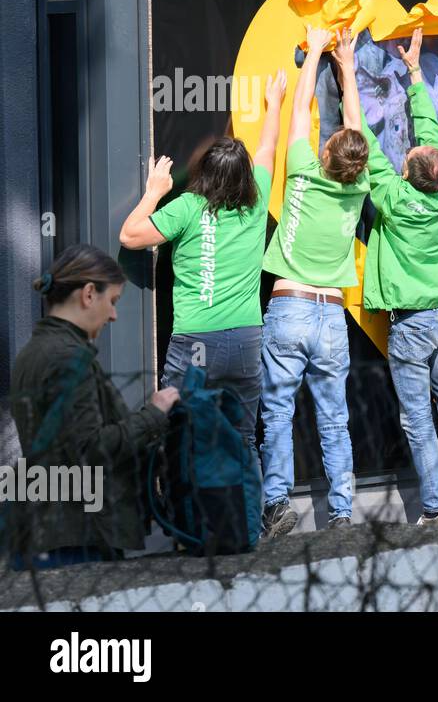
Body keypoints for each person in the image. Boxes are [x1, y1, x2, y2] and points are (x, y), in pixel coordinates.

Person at [344, 28, 438, 527]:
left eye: (406, 158)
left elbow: (361, 139)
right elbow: (430, 133)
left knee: (419, 420)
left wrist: (346, 67)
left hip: (410, 326)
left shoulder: (391, 197)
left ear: (407, 173)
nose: (408, 151)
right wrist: (413, 71)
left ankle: (436, 508)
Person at [119, 70, 287, 475]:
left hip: (196, 341)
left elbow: (129, 236)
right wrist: (275, 100)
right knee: (243, 435)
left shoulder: (187, 208)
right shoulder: (256, 202)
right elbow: (268, 147)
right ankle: (247, 526)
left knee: (180, 431)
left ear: (205, 173)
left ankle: (187, 525)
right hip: (246, 338)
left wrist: (154, 192)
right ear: (245, 178)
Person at [259, 25, 371, 537]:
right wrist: (347, 67)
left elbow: (302, 108)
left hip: (288, 305)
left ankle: (277, 504)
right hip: (330, 312)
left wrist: (315, 49)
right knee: (334, 419)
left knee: (277, 412)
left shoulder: (303, 168)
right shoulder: (359, 185)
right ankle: (342, 513)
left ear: (326, 155)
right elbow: (356, 131)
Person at [5, 245, 181, 569]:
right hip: (75, 538)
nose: (114, 315)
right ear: (88, 294)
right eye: (112, 301)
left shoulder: (34, 351)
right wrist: (154, 414)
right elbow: (90, 449)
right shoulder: (68, 357)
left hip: (51, 530)